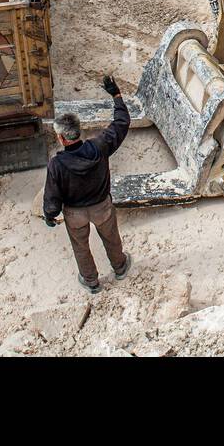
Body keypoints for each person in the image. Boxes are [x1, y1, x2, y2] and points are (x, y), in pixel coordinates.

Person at [43, 75, 131, 294]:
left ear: (62, 138)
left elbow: (52, 195)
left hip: (75, 214)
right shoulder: (99, 146)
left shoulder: (57, 164)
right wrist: (116, 95)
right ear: (78, 132)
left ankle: (92, 282)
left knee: (81, 247)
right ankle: (120, 267)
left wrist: (50, 215)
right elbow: (122, 123)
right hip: (102, 207)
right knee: (111, 238)